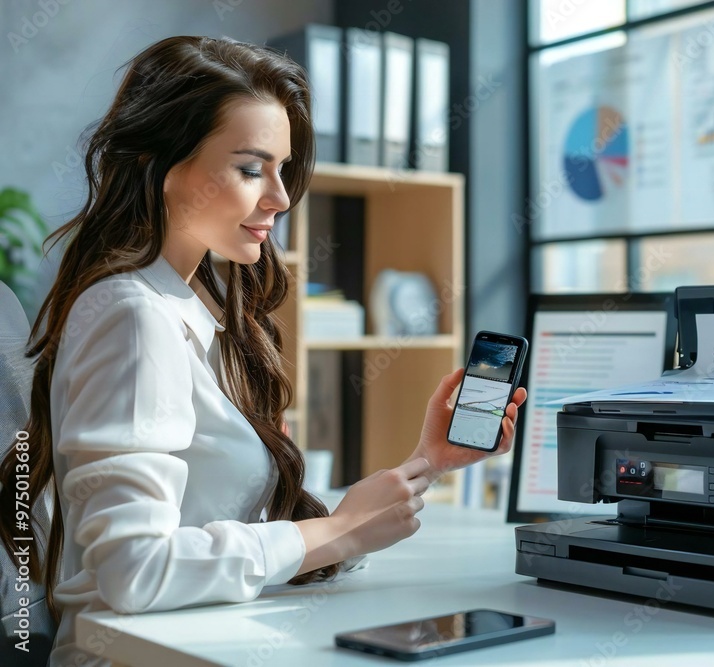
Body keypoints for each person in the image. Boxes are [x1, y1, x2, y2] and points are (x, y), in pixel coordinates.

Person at [0, 35, 526, 667]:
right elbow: (131, 572)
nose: (279, 197)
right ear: (162, 171)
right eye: (251, 169)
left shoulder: (197, 310)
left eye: (281, 169)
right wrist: (332, 531)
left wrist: (428, 461)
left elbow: (228, 544)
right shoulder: (133, 315)